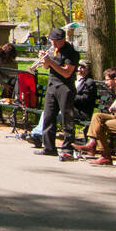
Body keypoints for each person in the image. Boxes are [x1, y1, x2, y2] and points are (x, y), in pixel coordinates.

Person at [34, 27, 80, 160]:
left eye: (56, 41)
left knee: (67, 119)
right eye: (52, 41)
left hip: (65, 87)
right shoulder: (52, 49)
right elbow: (46, 67)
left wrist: (51, 62)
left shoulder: (71, 53)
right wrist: (44, 60)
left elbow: (67, 73)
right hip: (52, 86)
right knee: (48, 116)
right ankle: (49, 147)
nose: (53, 44)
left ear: (63, 40)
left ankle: (67, 148)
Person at [77, 68, 116, 165]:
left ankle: (105, 156)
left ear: (115, 80)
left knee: (100, 126)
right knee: (97, 116)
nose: (105, 82)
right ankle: (92, 143)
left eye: (107, 80)